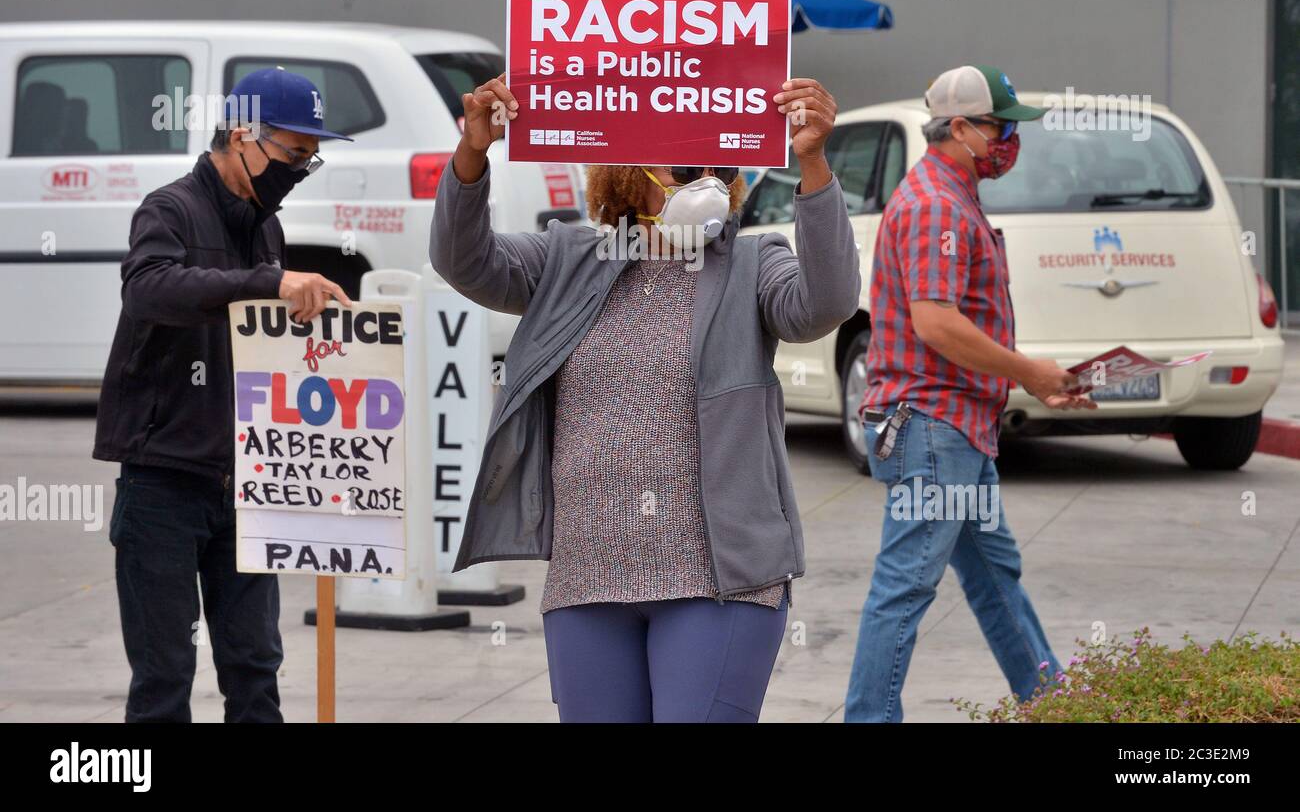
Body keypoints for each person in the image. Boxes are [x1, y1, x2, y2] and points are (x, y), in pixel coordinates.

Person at [429, 76, 860, 723]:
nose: (708, 178)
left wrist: (814, 165)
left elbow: (824, 303)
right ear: (628, 170)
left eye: (721, 164)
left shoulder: (753, 264)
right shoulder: (569, 258)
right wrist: (472, 153)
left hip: (718, 584)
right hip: (588, 578)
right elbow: (464, 261)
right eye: (689, 164)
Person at [94, 67, 355, 723]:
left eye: (309, 157)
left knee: (254, 666)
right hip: (163, 481)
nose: (299, 168)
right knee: (164, 676)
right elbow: (150, 289)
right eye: (293, 153)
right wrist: (268, 284)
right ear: (242, 134)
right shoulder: (170, 208)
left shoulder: (264, 227)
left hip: (245, 484)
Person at [844, 64, 1096, 723]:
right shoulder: (936, 204)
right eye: (1002, 126)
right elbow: (935, 321)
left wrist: (1034, 376)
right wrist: (1027, 372)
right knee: (904, 587)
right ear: (961, 128)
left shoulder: (954, 194)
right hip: (934, 427)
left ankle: (1052, 705)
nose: (1012, 138)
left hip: (956, 428)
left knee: (993, 577)